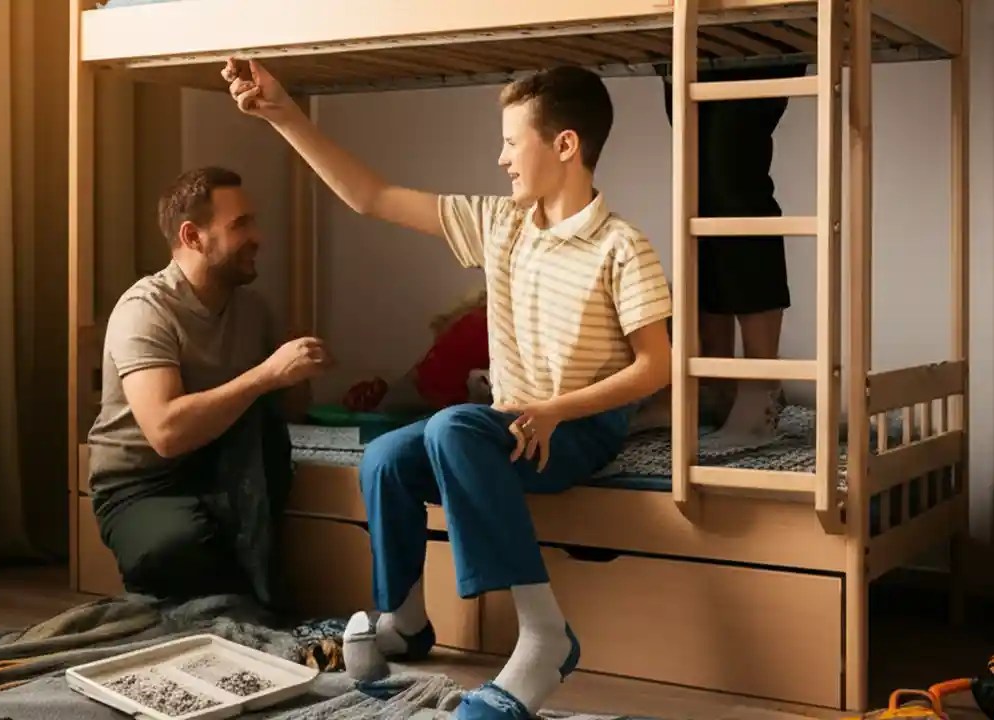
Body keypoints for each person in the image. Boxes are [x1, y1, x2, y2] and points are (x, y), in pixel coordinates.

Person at [221, 61, 672, 718]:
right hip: (514, 425)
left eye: (512, 142)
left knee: (450, 426)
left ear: (565, 145)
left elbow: (654, 368)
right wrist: (284, 111)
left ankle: (544, 636)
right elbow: (371, 196)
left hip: (578, 425)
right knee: (386, 456)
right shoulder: (504, 225)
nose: (501, 158)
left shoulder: (621, 246)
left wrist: (554, 410)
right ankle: (403, 619)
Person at [86, 166, 331, 606]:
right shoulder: (145, 310)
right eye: (240, 225)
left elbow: (286, 412)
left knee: (262, 430)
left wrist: (299, 371)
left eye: (253, 222)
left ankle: (244, 588)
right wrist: (266, 374)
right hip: (142, 483)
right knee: (177, 549)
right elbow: (165, 432)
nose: (258, 237)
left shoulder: (252, 310)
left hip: (219, 471)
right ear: (193, 237)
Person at [633, 63, 807, 449]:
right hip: (691, 28)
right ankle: (715, 385)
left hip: (747, 29)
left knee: (732, 182)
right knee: (700, 189)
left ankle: (760, 391)